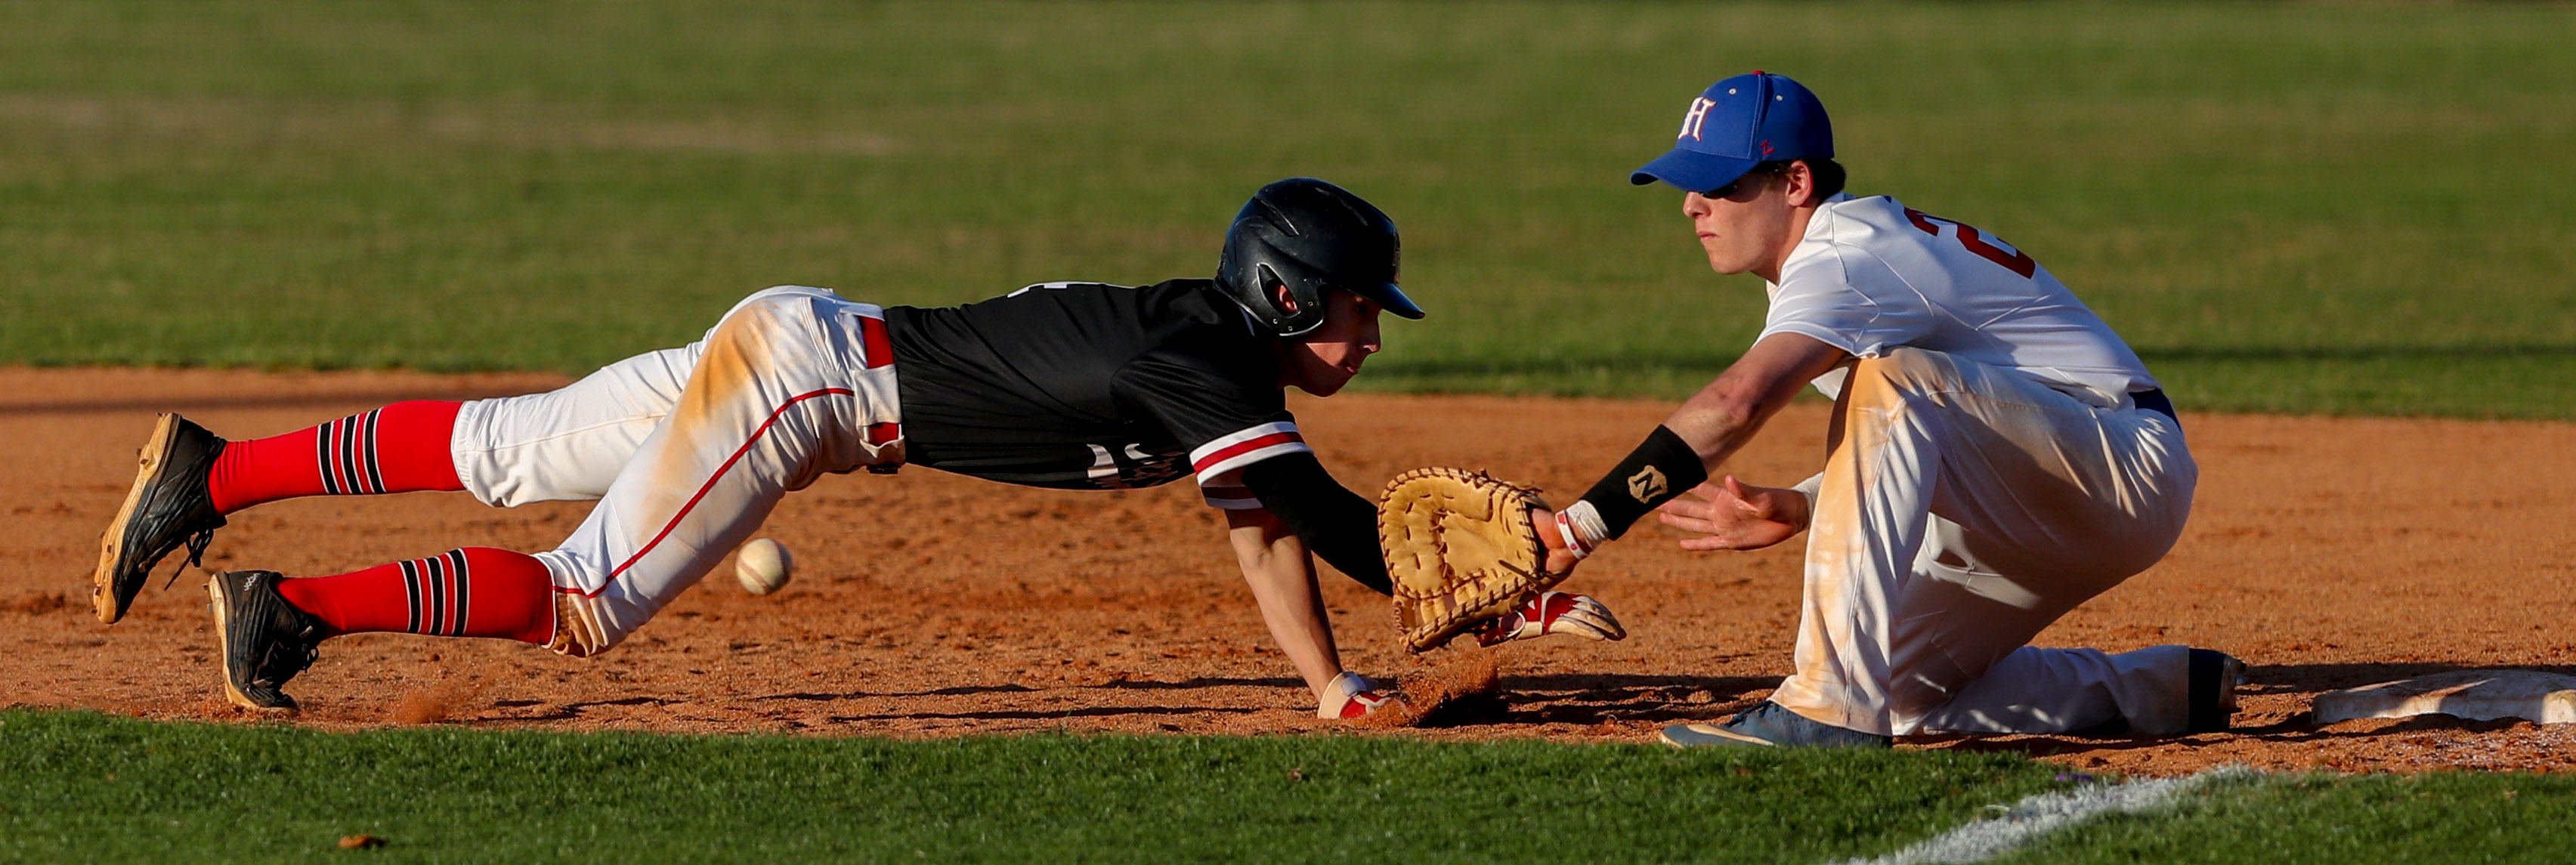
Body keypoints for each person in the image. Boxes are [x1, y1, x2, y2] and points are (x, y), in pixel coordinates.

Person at [91, 178, 1620, 718]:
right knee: (583, 597)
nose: (1369, 337)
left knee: (510, 446)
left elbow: (1270, 521)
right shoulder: (1199, 361)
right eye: (1357, 310)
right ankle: (286, 608)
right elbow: (1308, 514)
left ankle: (209, 475)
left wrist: (1340, 681)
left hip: (803, 342)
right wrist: (1510, 598)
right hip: (807, 390)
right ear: (1288, 296)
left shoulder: (1207, 354)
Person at [1533, 73, 2235, 747]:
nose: (1692, 205)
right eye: (1688, 185)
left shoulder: (1845, 255)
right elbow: (1961, 429)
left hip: (2122, 462)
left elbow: (1737, 402)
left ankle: (1827, 705)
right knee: (1897, 691)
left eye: (1718, 184)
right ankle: (2158, 689)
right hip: (2036, 493)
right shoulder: (1830, 260)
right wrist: (1807, 503)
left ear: (1795, 182)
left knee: (1894, 380)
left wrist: (1576, 528)